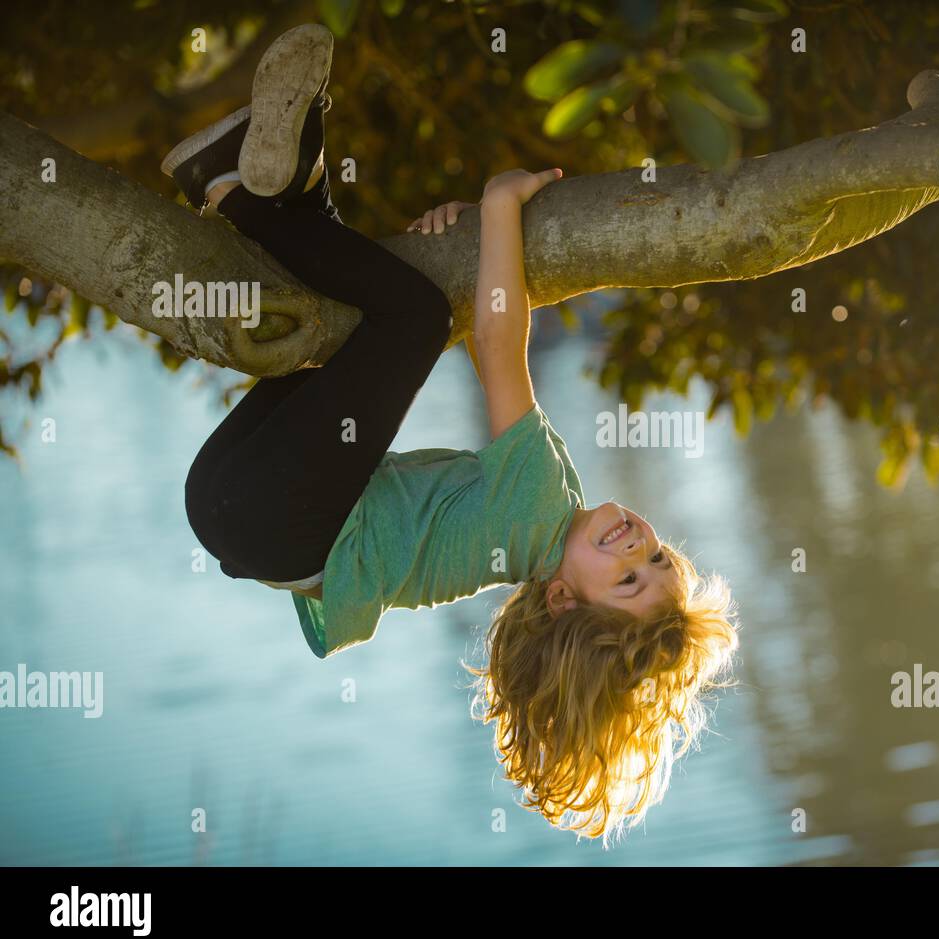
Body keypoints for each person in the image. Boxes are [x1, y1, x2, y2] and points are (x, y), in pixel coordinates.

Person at [165, 24, 738, 841]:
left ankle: (239, 195)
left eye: (626, 580)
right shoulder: (537, 525)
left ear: (559, 597)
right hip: (233, 511)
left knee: (412, 317)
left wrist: (501, 204)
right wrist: (476, 240)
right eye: (658, 560)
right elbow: (483, 325)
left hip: (276, 517)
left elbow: (497, 342)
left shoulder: (536, 510)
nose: (637, 545)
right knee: (344, 326)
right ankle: (283, 184)